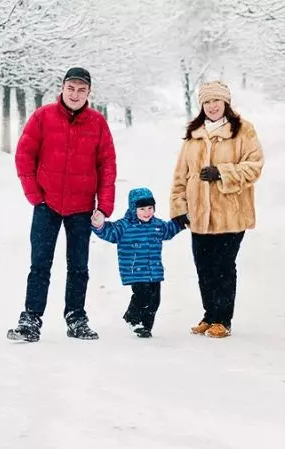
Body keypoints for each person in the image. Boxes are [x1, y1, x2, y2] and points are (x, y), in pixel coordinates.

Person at [7, 67, 117, 342]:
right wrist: (35, 196)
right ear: (63, 88)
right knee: (40, 265)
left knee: (79, 266)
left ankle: (76, 317)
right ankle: (31, 318)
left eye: (82, 90)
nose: (76, 94)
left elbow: (107, 166)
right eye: (71, 88)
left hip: (81, 208)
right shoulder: (43, 116)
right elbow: (24, 155)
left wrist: (103, 206)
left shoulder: (97, 122)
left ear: (88, 92)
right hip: (47, 205)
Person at [170, 80, 264, 338]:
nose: (212, 106)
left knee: (223, 266)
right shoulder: (194, 133)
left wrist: (222, 173)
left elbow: (254, 165)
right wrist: (179, 205)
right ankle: (209, 315)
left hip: (230, 214)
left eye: (216, 101)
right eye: (207, 101)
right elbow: (181, 174)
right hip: (199, 215)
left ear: (226, 103)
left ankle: (223, 319)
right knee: (203, 267)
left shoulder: (243, 130)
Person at [92, 188, 184, 338]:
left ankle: (146, 326)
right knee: (141, 296)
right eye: (142, 209)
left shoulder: (157, 225)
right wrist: (99, 226)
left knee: (155, 300)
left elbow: (168, 231)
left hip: (154, 271)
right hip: (135, 270)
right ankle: (132, 318)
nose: (147, 212)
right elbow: (109, 232)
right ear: (133, 209)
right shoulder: (124, 226)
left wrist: (180, 222)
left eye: (150, 208)